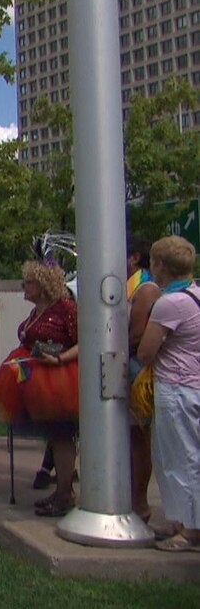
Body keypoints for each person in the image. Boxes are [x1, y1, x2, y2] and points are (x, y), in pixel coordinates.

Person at [0, 260, 79, 517]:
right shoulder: (37, 311)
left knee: (62, 434)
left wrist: (61, 358)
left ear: (42, 284)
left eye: (27, 282)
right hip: (35, 376)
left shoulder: (65, 308)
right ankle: (62, 490)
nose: (23, 287)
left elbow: (84, 340)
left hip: (59, 377)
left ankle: (65, 493)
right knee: (54, 436)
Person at [136, 236, 200, 552]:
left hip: (175, 388)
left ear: (160, 265)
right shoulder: (195, 296)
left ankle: (191, 532)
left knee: (181, 458)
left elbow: (146, 351)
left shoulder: (169, 303)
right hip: (192, 385)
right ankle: (179, 520)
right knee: (179, 457)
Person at [125, 235, 161, 521]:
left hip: (137, 368)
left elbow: (136, 336)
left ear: (135, 257)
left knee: (139, 437)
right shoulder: (126, 286)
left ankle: (140, 502)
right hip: (126, 364)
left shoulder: (145, 287)